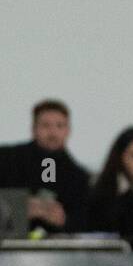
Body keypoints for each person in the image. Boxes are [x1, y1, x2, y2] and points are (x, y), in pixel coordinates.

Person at [0, 99, 91, 235]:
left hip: (58, 251)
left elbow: (87, 224)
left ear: (68, 130)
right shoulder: (6, 159)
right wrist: (17, 209)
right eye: (45, 125)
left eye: (59, 126)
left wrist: (63, 220)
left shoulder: (79, 177)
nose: (53, 132)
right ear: (34, 129)